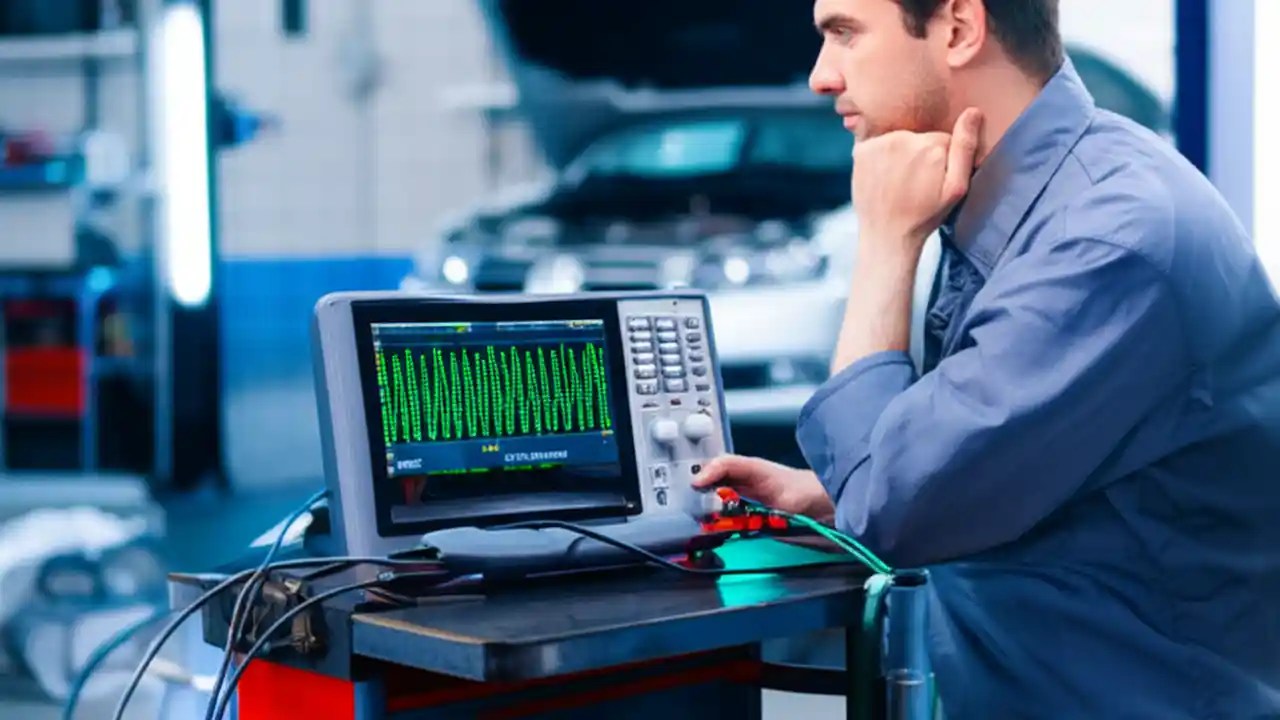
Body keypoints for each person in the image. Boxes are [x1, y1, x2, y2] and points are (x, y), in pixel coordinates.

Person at [691, 0, 1280, 717]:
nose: (820, 76)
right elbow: (1003, 468)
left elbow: (897, 517)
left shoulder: (1105, 237)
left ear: (961, 27)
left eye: (845, 33)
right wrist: (832, 492)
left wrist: (882, 243)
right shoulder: (1029, 199)